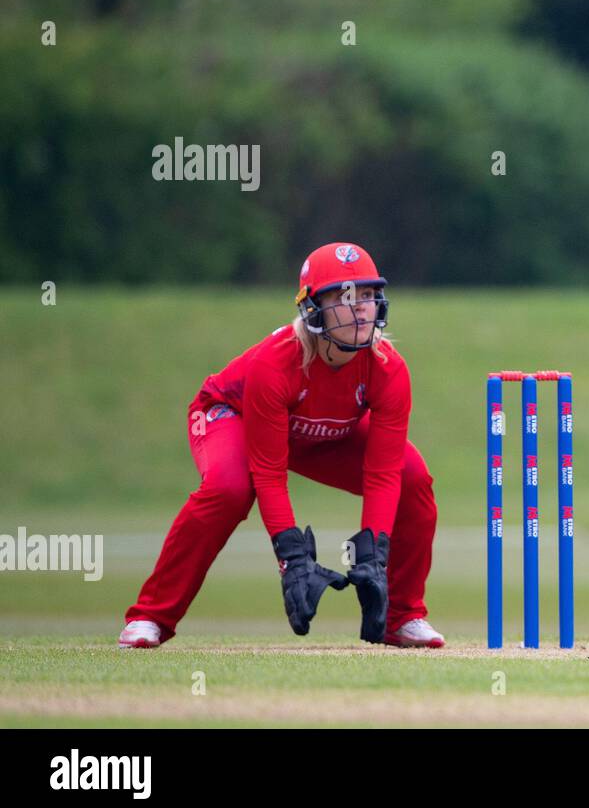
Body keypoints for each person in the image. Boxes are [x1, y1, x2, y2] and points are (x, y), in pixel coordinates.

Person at [118, 242, 443, 649]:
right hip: (231, 415)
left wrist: (373, 556)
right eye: (345, 295)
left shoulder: (388, 368)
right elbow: (269, 475)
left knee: (412, 479)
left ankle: (403, 617)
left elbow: (383, 473)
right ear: (312, 308)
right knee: (229, 488)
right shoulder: (275, 364)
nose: (361, 306)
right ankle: (150, 616)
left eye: (367, 294)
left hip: (322, 434)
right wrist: (291, 558)